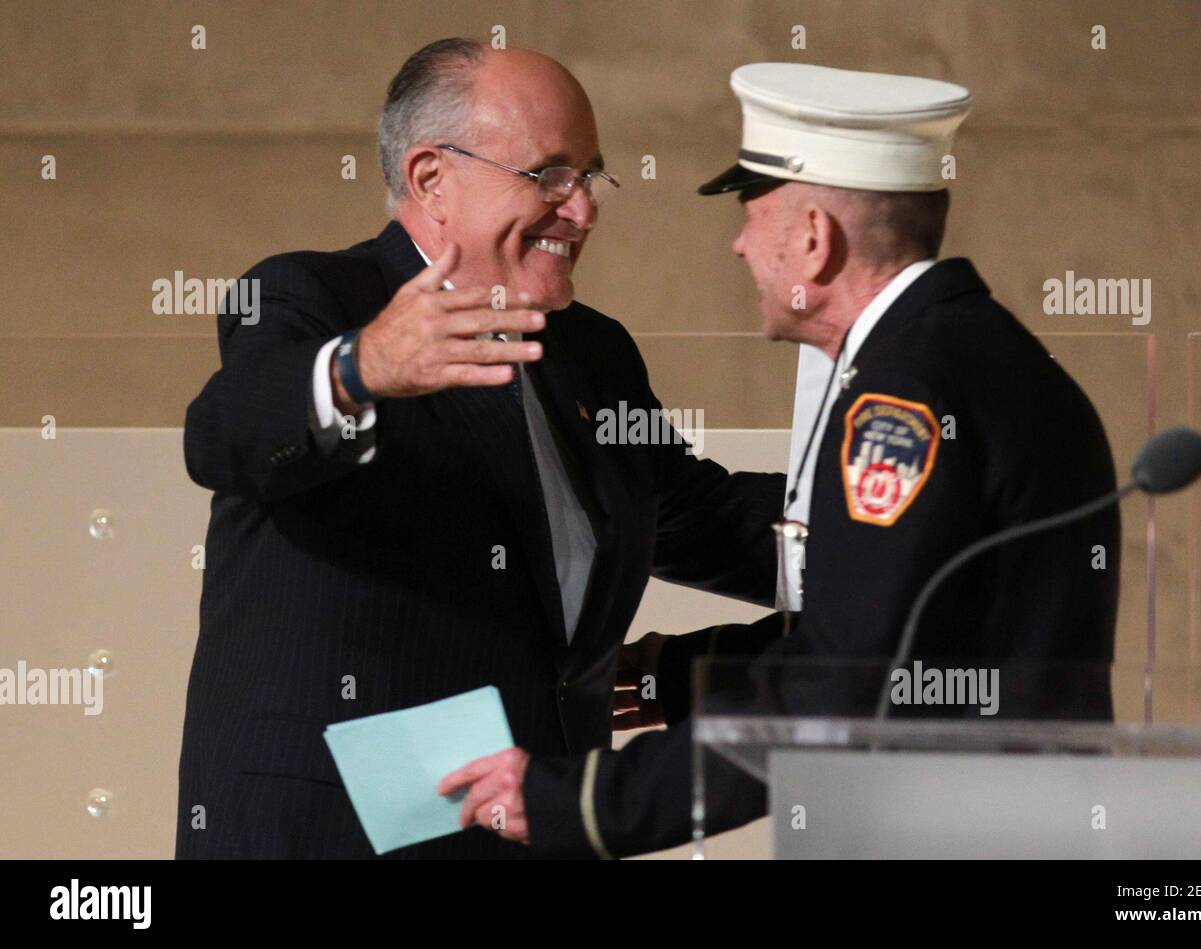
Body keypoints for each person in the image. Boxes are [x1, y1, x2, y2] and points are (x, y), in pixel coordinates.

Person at [442, 63, 1120, 858]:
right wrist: (682, 671)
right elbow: (921, 636)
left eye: (750, 213)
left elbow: (846, 681)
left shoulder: (901, 397)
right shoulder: (985, 357)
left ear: (812, 237)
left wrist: (585, 801)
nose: (737, 246)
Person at [176, 39, 783, 859]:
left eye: (592, 176)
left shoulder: (591, 353)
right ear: (432, 178)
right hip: (332, 834)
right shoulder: (317, 297)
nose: (583, 209)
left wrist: (898, 530)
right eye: (550, 175)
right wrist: (364, 368)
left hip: (527, 826)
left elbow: (701, 515)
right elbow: (228, 431)